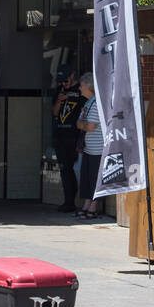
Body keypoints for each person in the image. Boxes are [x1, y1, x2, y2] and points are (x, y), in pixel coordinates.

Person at [52, 68, 83, 212]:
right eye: (61, 81)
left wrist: (81, 139)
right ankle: (68, 201)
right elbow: (54, 113)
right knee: (64, 170)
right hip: (60, 136)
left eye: (65, 80)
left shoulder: (80, 90)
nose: (63, 84)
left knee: (72, 169)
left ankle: (74, 201)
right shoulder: (59, 91)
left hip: (74, 136)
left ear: (72, 75)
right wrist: (59, 100)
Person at [76, 72, 104, 220]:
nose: (79, 88)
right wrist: (83, 124)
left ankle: (93, 206)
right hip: (89, 148)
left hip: (98, 149)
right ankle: (87, 204)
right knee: (86, 178)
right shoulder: (88, 104)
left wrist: (83, 124)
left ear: (89, 86)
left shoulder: (96, 104)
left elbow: (90, 126)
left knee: (94, 179)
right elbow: (79, 123)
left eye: (81, 85)